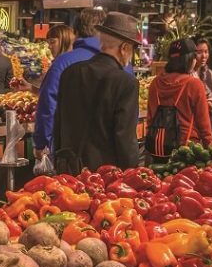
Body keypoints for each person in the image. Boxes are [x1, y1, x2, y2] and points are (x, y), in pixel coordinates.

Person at [52, 12, 140, 173]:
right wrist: (134, 173)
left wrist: (58, 161)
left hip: (69, 170)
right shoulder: (126, 82)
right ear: (124, 48)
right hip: (105, 177)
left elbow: (58, 123)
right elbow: (125, 139)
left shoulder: (70, 73)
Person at [33, 9, 107, 160]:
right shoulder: (120, 63)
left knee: (70, 184)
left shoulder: (63, 62)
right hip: (109, 149)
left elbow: (48, 104)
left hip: (71, 150)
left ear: (75, 32)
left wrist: (42, 143)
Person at [146, 38, 212, 156]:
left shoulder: (155, 83)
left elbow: (150, 118)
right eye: (195, 56)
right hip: (186, 151)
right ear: (189, 59)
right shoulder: (194, 84)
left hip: (157, 148)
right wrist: (210, 150)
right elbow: (204, 124)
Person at [194, 39, 212, 140]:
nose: (203, 56)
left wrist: (211, 103)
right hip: (192, 126)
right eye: (199, 52)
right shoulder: (187, 76)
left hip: (209, 122)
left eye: (206, 52)